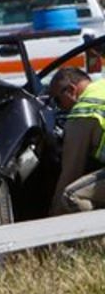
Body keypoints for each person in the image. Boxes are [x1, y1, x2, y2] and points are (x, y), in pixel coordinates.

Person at [49, 68, 105, 214]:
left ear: (71, 90)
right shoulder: (102, 87)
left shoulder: (83, 112)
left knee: (71, 196)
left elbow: (71, 172)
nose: (58, 107)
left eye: (57, 100)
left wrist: (52, 218)